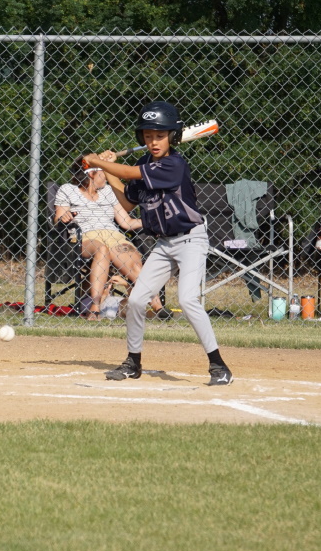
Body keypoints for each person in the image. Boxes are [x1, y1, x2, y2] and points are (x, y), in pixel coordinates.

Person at [82, 100, 234, 386]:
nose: (154, 141)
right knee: (138, 301)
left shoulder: (174, 164)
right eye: (149, 136)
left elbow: (130, 174)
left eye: (160, 135)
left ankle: (218, 365)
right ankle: (133, 362)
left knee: (187, 299)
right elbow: (127, 202)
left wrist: (99, 163)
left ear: (172, 137)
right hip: (164, 245)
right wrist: (109, 170)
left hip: (191, 240)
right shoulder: (143, 163)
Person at [54, 157, 168, 320]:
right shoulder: (68, 189)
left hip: (113, 235)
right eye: (103, 170)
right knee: (102, 249)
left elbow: (126, 222)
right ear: (91, 173)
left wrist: (153, 221)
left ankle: (158, 307)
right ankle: (95, 306)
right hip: (85, 235)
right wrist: (64, 216)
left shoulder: (108, 191)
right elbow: (58, 219)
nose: (107, 174)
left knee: (133, 263)